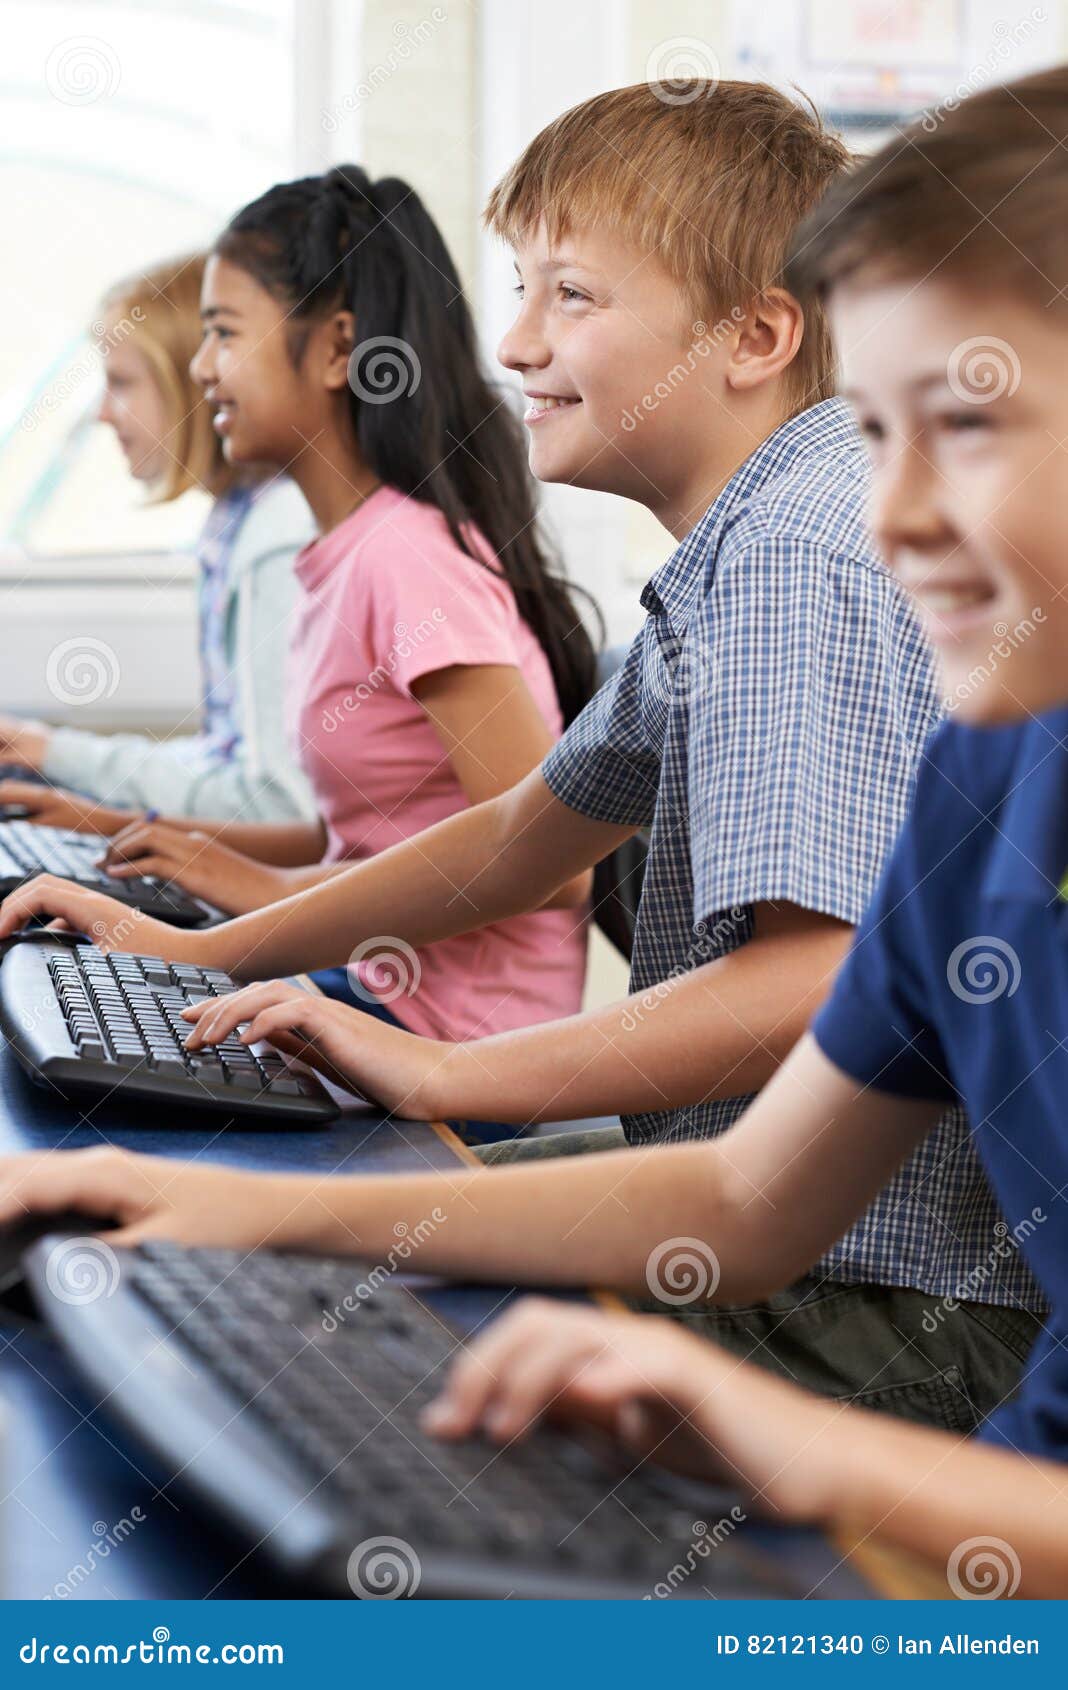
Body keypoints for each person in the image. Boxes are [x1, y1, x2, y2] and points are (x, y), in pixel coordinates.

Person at [0, 83, 1039, 1422]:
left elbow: (807, 978)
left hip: (887, 1304)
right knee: (294, 1268)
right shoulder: (740, 550)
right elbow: (514, 836)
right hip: (793, 1241)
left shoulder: (798, 542)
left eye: (573, 297)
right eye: (520, 289)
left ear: (754, 335)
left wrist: (442, 1070)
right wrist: (205, 953)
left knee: (323, 1357)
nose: (513, 340)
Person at [0, 254, 316, 824]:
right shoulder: (236, 515)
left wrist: (67, 767)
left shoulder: (279, 532)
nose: (102, 413)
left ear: (193, 383)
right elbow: (225, 756)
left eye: (121, 383)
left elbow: (276, 805)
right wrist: (50, 750)